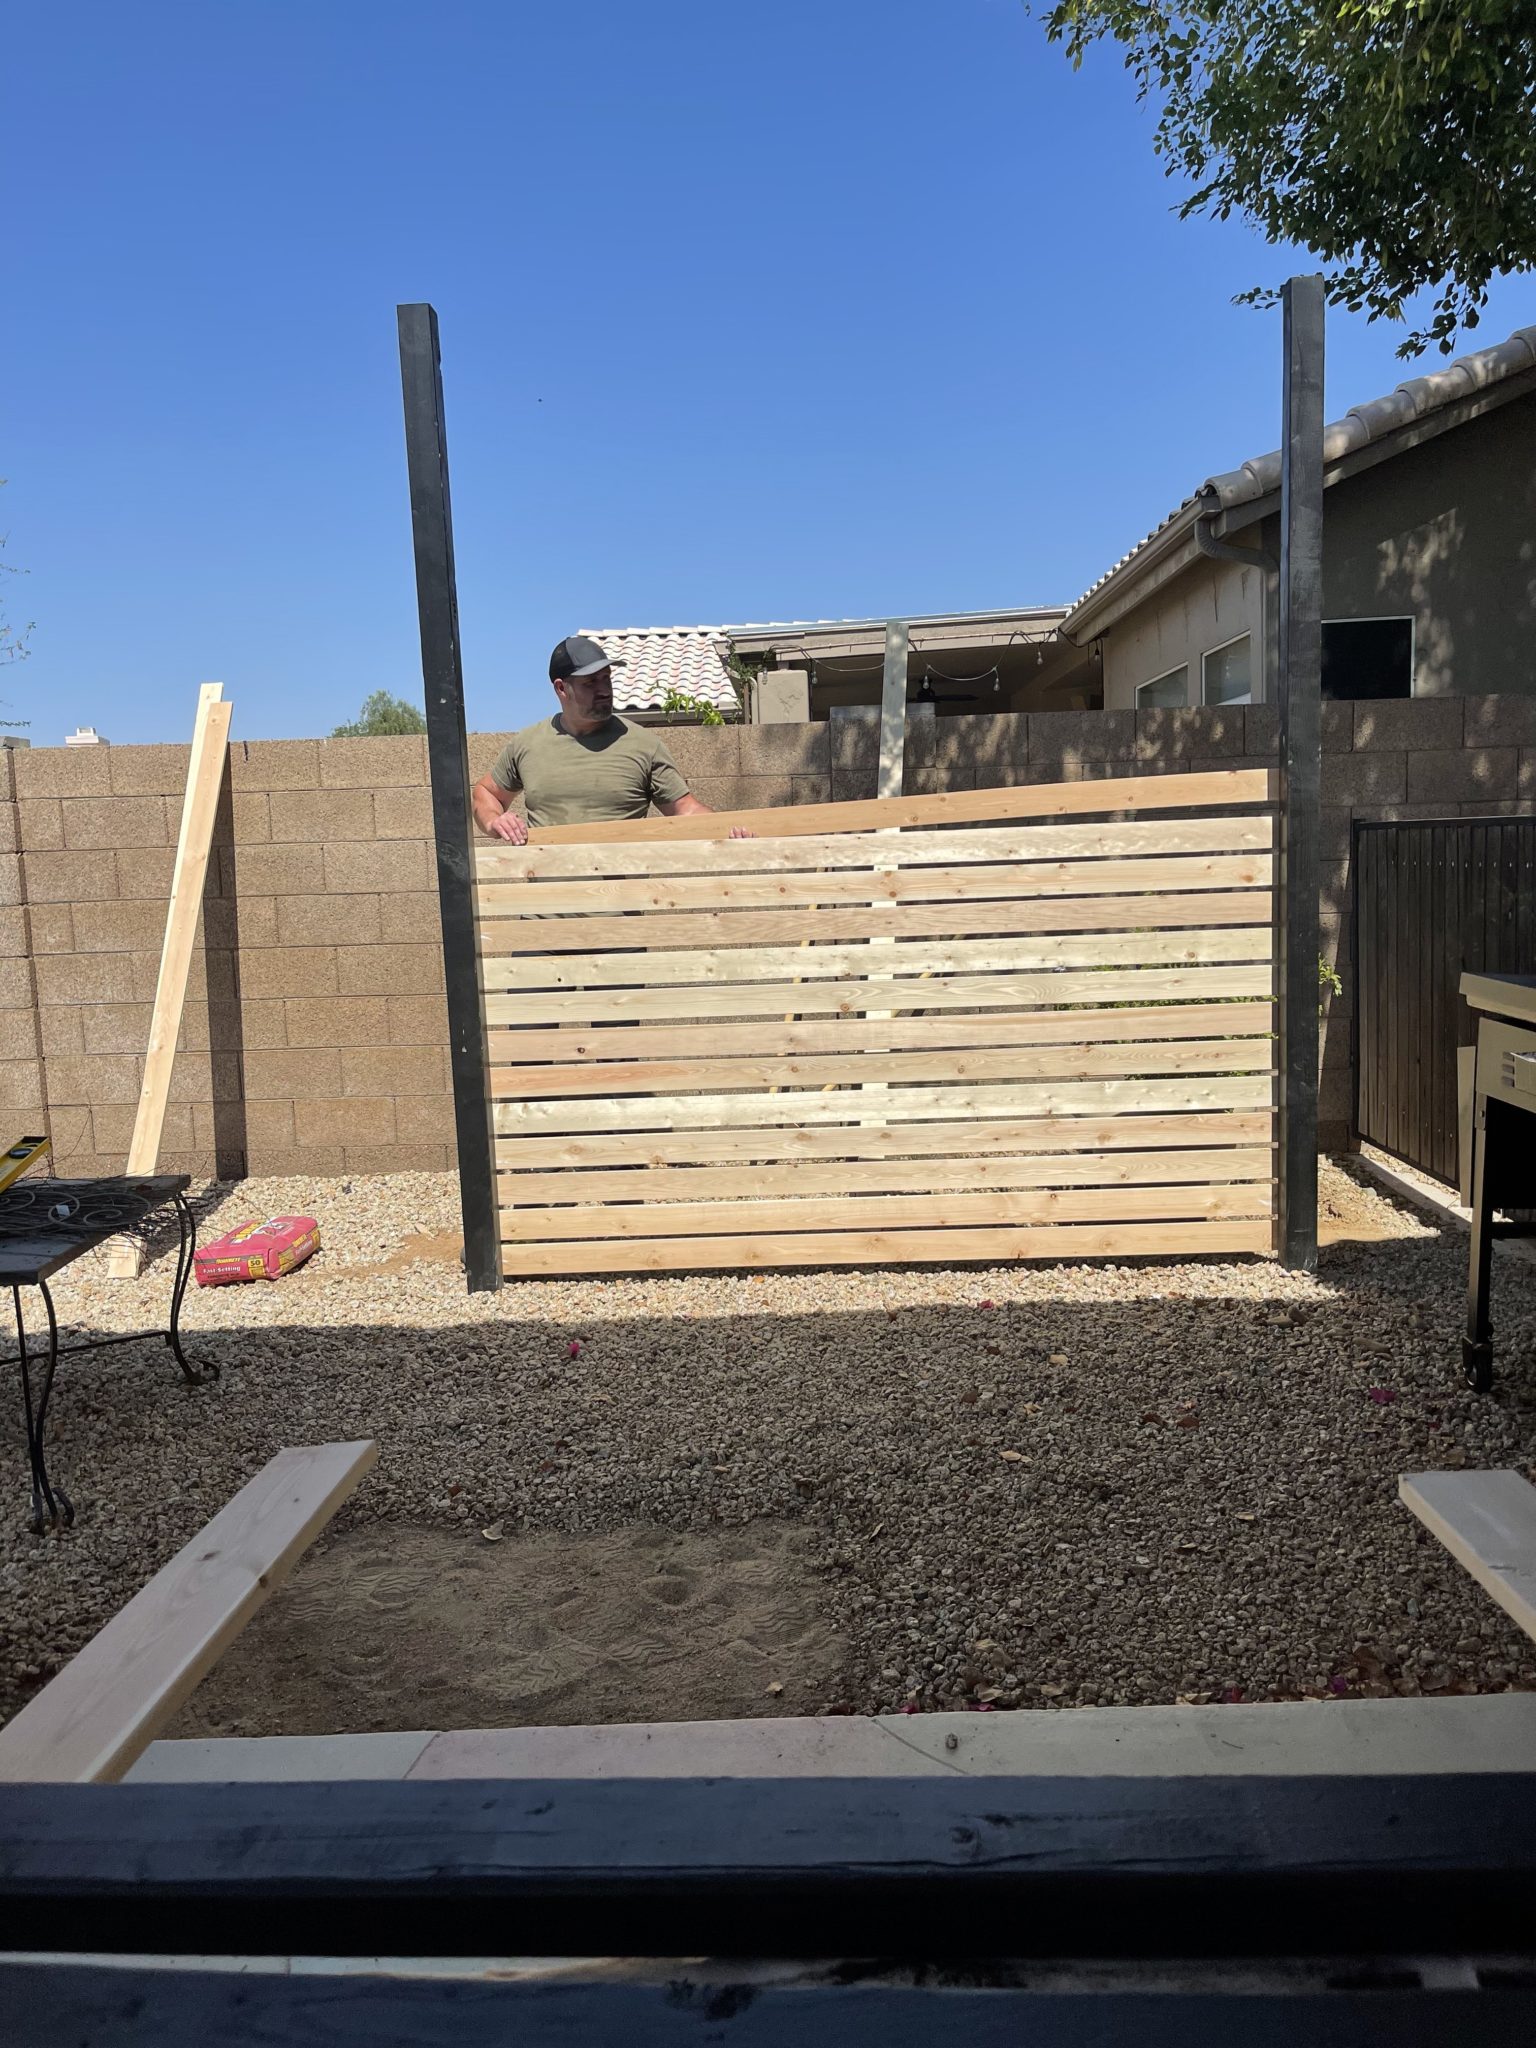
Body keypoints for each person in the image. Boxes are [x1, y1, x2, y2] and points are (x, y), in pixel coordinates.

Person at [472, 635, 749, 842]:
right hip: (547, 902)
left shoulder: (643, 745)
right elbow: (486, 793)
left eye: (606, 678)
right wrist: (495, 821)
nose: (604, 689)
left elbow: (685, 810)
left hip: (621, 903)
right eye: (590, 682)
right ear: (561, 688)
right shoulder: (527, 744)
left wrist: (729, 831)